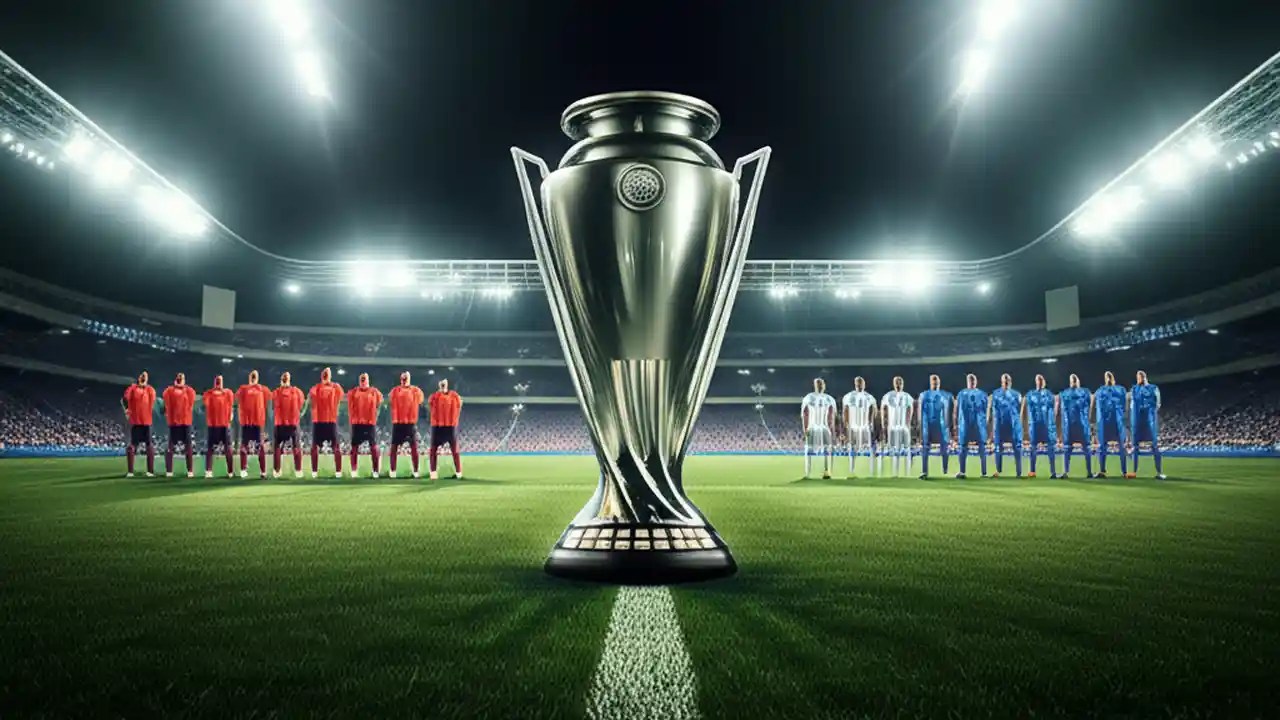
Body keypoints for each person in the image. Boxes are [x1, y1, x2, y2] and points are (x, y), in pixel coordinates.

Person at [308, 367, 345, 479]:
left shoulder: (316, 388)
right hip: (326, 421)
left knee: (317, 447)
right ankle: (336, 472)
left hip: (322, 421)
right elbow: (341, 397)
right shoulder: (335, 387)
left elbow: (311, 400)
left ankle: (317, 473)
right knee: (333, 447)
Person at [346, 373, 384, 478]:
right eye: (362, 380)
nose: (363, 382)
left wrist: (375, 415)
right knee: (354, 448)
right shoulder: (353, 392)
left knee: (373, 447)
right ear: (359, 381)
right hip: (357, 423)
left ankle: (375, 471)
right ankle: (354, 471)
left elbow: (380, 404)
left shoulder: (374, 392)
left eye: (365, 380)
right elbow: (349, 404)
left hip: (369, 423)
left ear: (368, 380)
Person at [235, 370, 272, 478]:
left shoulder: (245, 389)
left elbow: (236, 400)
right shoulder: (261, 389)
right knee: (256, 446)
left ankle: (246, 470)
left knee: (248, 445)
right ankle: (260, 472)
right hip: (254, 422)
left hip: (251, 422)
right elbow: (269, 401)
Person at [1130, 369, 1166, 479]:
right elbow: (1132, 405)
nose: (1138, 379)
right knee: (1135, 447)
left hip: (1149, 420)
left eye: (1140, 377)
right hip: (1137, 420)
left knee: (1154, 446)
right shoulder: (1134, 389)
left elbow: (1158, 403)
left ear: (1144, 377)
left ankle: (1159, 472)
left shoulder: (1153, 388)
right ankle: (1134, 472)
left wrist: (1150, 414)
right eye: (1137, 377)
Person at [388, 371, 425, 479]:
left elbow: (420, 400)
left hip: (410, 423)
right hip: (398, 423)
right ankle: (393, 472)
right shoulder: (395, 391)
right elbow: (391, 400)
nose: (404, 380)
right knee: (394, 448)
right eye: (403, 378)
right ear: (400, 379)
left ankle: (416, 471)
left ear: (409, 378)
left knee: (414, 448)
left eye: (406, 378)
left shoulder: (416, 390)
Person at [161, 372, 197, 478]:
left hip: (185, 422)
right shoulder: (170, 390)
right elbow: (166, 401)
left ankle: (190, 471)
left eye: (182, 378)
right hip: (174, 423)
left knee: (188, 447)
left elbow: (191, 404)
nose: (180, 379)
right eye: (179, 377)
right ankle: (169, 471)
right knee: (171, 447)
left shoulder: (189, 391)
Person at [122, 370, 157, 477]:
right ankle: (133, 471)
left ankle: (147, 471)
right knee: (137, 445)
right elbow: (125, 399)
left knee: (146, 445)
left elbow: (152, 402)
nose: (144, 377)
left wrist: (129, 409)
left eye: (145, 376)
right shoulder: (135, 388)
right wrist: (128, 410)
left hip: (143, 421)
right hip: (140, 421)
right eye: (142, 375)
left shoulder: (148, 389)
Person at [1022, 374, 1059, 478]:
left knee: (1050, 448)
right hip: (1035, 425)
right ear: (1036, 382)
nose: (1040, 382)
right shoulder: (1031, 395)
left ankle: (1053, 472)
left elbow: (1054, 409)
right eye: (1038, 380)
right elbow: (1028, 409)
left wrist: (1052, 422)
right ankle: (1032, 471)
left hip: (1047, 426)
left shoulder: (1049, 395)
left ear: (1044, 382)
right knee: (1033, 448)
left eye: (1041, 380)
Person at [954, 373, 989, 478]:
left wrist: (985, 423)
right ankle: (962, 471)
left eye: (973, 380)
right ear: (967, 382)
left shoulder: (982, 394)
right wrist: (956, 424)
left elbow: (986, 410)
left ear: (976, 381)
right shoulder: (961, 394)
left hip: (977, 425)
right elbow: (956, 410)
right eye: (970, 380)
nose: (972, 382)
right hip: (966, 424)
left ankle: (984, 472)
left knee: (981, 448)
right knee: (963, 448)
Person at [1058, 374, 1094, 479]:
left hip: (1077, 424)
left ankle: (1088, 472)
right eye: (1072, 380)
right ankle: (1067, 472)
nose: (1074, 382)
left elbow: (1088, 406)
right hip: (1075, 425)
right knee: (1070, 449)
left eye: (1074, 380)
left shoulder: (1077, 393)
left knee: (1083, 448)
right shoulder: (1081, 393)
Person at [428, 378, 464, 480]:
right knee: (433, 450)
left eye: (444, 383)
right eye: (441, 383)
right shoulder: (435, 396)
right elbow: (430, 404)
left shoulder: (454, 396)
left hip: (450, 426)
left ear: (447, 384)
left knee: (455, 450)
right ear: (439, 385)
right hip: (438, 426)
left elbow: (459, 404)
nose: (443, 384)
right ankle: (433, 473)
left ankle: (458, 473)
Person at [800, 377, 837, 479]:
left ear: (824, 386)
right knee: (808, 449)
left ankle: (827, 471)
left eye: (821, 384)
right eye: (818, 384)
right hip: (812, 426)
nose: (820, 386)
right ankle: (807, 473)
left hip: (825, 427)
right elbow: (805, 414)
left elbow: (832, 416)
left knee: (828, 448)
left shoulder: (829, 399)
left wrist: (833, 430)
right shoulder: (809, 398)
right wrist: (805, 428)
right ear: (815, 386)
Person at [271, 371, 305, 479]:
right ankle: (298, 471)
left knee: (277, 447)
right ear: (289, 379)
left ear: (281, 380)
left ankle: (277, 471)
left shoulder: (276, 392)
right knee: (296, 447)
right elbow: (301, 404)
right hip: (293, 423)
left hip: (280, 423)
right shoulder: (297, 392)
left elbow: (273, 406)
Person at [841, 376, 877, 477]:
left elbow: (874, 410)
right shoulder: (848, 397)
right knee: (852, 448)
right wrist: (846, 425)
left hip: (865, 427)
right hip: (853, 427)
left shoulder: (869, 397)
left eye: (861, 383)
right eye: (858, 382)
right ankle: (851, 470)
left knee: (870, 447)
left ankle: (871, 471)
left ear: (864, 384)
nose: (859, 384)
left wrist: (871, 423)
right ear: (855, 383)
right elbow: (845, 411)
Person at [989, 373, 1024, 478]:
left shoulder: (1016, 394)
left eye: (1007, 381)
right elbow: (994, 411)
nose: (1006, 383)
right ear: (1001, 382)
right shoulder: (996, 394)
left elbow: (1019, 410)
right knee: (998, 448)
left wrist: (1019, 423)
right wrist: (993, 427)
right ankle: (998, 471)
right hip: (1000, 425)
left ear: (1010, 382)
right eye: (1004, 381)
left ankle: (1019, 472)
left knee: (1017, 448)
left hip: (1014, 425)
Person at [1095, 370, 1128, 478]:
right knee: (1105, 447)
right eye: (1107, 377)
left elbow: (1123, 406)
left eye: (1109, 377)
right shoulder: (1102, 390)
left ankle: (1123, 471)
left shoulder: (1117, 390)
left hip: (1112, 422)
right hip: (1109, 422)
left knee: (1119, 447)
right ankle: (1104, 471)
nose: (1108, 379)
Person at [917, 374, 951, 479]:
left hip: (942, 425)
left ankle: (945, 470)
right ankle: (924, 471)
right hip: (927, 425)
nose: (935, 383)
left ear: (939, 383)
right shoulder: (924, 395)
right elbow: (920, 411)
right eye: (933, 382)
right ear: (930, 382)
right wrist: (920, 424)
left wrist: (949, 426)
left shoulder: (946, 395)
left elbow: (949, 412)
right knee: (925, 448)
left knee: (944, 448)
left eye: (936, 382)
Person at [202, 375, 236, 479]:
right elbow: (231, 407)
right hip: (219, 425)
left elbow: (206, 404)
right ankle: (227, 472)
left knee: (215, 449)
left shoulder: (212, 393)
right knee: (223, 448)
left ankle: (212, 471)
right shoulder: (223, 393)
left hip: (218, 425)